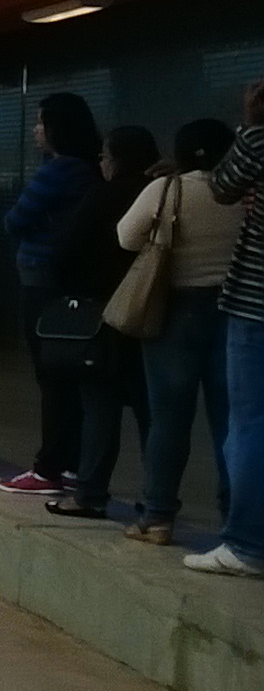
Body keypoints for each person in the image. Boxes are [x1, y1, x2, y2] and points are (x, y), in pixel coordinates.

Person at [122, 119, 239, 545]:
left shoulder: (167, 190)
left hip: (174, 313)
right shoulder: (245, 193)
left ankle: (158, 517)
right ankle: (235, 522)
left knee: (168, 420)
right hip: (234, 313)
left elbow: (126, 237)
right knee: (232, 423)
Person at [47, 125, 161, 520]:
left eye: (105, 158)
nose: (101, 164)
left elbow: (63, 250)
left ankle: (90, 493)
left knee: (99, 407)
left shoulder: (103, 195)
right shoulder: (165, 193)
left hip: (105, 316)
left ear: (116, 160)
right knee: (154, 411)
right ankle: (157, 501)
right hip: (157, 315)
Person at [0, 93, 104, 496]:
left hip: (42, 281)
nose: (36, 130)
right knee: (71, 374)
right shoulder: (90, 170)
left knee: (51, 375)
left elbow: (15, 220)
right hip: (71, 281)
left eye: (42, 123)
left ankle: (49, 468)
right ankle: (73, 463)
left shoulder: (59, 171)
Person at [191, 82, 264, 578]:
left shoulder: (260, 140)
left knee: (249, 426)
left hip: (255, 307)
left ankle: (246, 543)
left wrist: (251, 124)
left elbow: (221, 186)